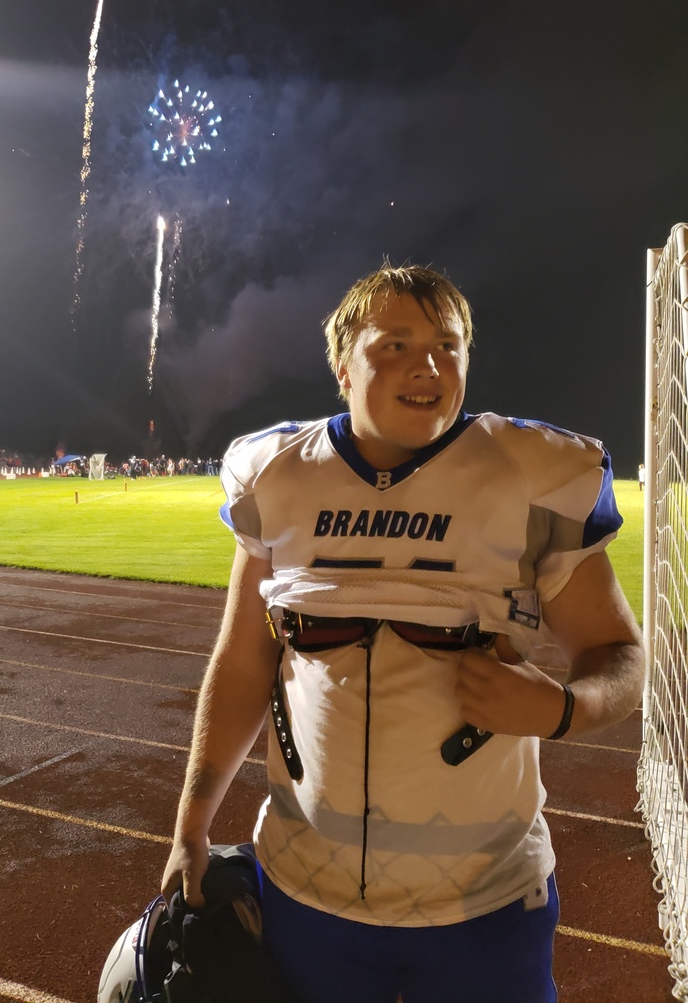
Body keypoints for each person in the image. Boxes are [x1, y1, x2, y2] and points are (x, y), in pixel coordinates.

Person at [161, 263, 644, 1003]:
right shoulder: (279, 475)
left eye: (448, 346)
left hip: (486, 903)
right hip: (305, 892)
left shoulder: (528, 475)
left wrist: (562, 708)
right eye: (395, 345)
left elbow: (621, 654)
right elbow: (243, 659)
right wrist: (191, 823)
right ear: (343, 368)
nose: (429, 365)